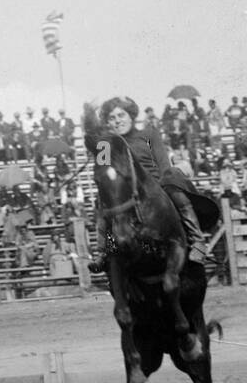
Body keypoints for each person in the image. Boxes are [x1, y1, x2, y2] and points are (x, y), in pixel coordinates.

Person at [89, 95, 210, 271]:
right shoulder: (106, 144)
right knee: (102, 202)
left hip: (154, 187)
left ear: (131, 115)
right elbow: (102, 173)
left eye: (121, 115)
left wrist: (159, 186)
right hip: (124, 195)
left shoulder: (148, 134)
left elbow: (163, 165)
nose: (117, 121)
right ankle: (102, 252)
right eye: (112, 118)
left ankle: (197, 239)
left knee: (173, 182)